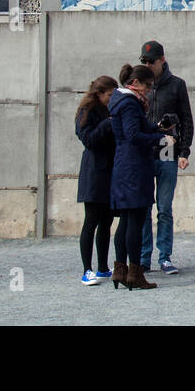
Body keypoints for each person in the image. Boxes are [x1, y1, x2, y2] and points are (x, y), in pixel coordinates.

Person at [109, 64, 173, 291]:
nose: (148, 90)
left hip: (125, 166)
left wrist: (157, 128)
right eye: (147, 86)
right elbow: (134, 135)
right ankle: (135, 273)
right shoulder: (129, 104)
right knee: (134, 220)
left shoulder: (122, 100)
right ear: (135, 83)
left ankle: (120, 270)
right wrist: (161, 140)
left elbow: (138, 128)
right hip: (133, 168)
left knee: (126, 221)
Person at [138, 40, 193, 275]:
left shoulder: (177, 85)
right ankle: (143, 258)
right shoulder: (139, 85)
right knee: (142, 208)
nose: (147, 65)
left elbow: (187, 119)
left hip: (168, 151)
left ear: (162, 60)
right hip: (142, 153)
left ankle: (165, 257)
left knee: (164, 208)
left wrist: (184, 151)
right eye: (144, 61)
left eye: (151, 61)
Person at [75, 76, 117, 284]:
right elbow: (88, 139)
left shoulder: (112, 110)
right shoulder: (86, 112)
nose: (112, 99)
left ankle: (102, 267)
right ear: (99, 94)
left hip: (110, 172)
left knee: (106, 222)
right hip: (93, 174)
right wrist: (107, 124)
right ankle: (87, 269)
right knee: (90, 221)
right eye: (110, 95)